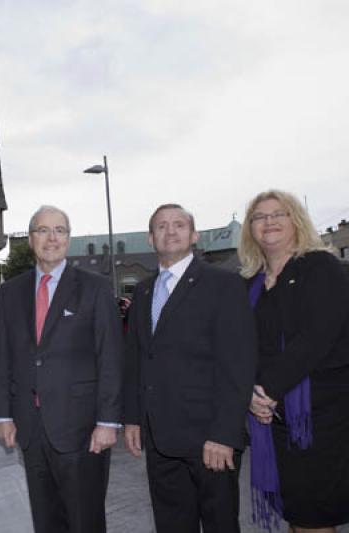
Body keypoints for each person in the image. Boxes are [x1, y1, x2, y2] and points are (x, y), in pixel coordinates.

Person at [123, 203, 257, 533]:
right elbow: (136, 359)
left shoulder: (223, 285)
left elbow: (238, 364)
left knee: (219, 526)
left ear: (194, 235)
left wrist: (224, 434)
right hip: (159, 441)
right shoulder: (141, 292)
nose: (170, 231)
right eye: (162, 226)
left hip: (209, 441)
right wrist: (132, 417)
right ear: (151, 238)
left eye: (179, 225)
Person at [0, 205, 123, 533]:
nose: (51, 238)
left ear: (68, 238)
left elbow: (110, 357)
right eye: (42, 230)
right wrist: (3, 415)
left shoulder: (94, 287)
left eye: (59, 230)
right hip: (31, 429)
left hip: (82, 430)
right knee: (46, 521)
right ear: (30, 238)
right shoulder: (10, 291)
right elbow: (3, 357)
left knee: (84, 520)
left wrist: (107, 421)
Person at [241, 190, 349, 533]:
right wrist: (252, 392)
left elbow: (318, 335)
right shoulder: (251, 283)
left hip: (320, 417)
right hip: (274, 417)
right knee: (297, 509)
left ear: (296, 222)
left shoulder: (320, 266)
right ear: (250, 229)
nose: (269, 221)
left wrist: (268, 389)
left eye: (279, 214)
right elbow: (244, 345)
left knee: (313, 515)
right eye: (259, 216)